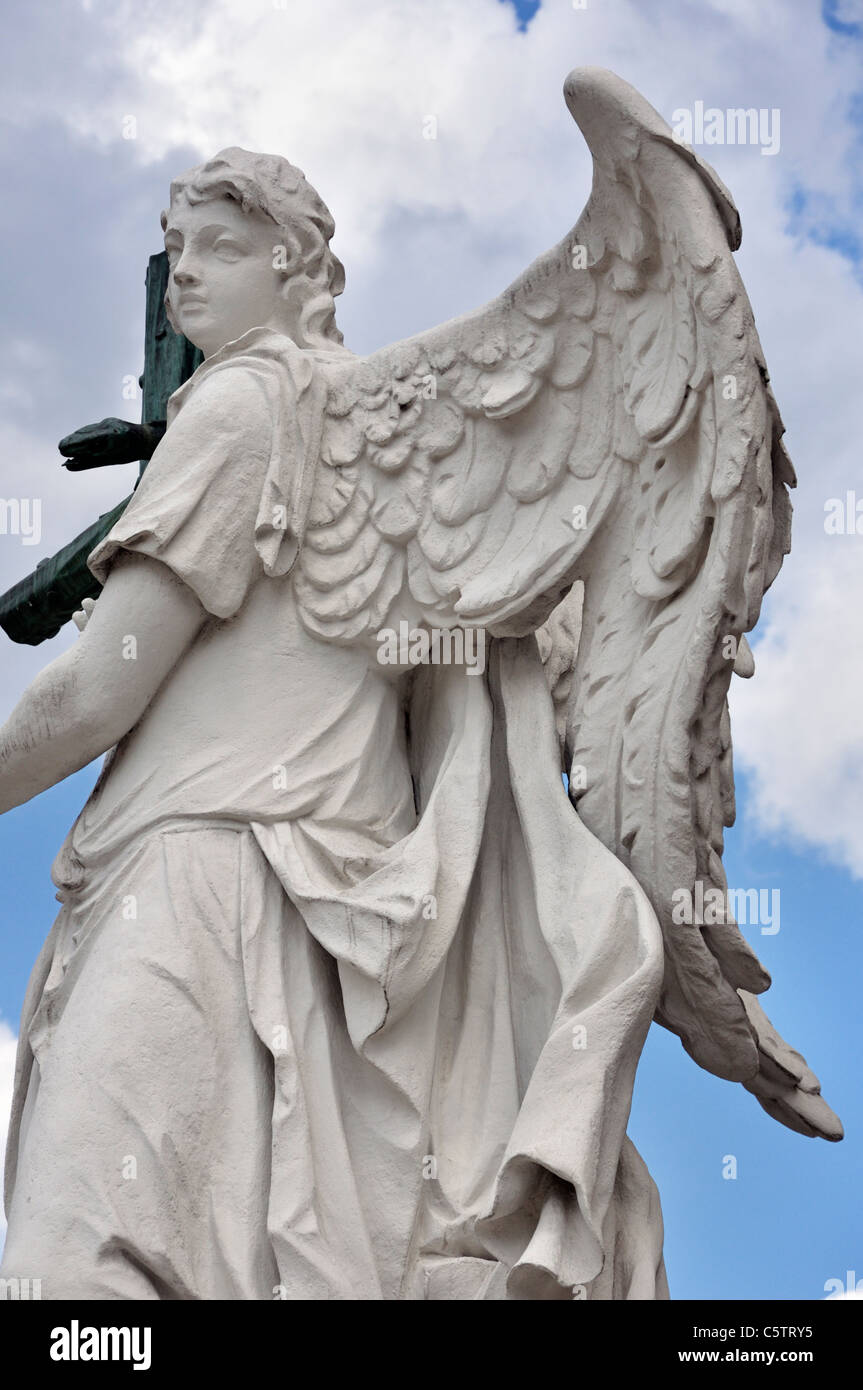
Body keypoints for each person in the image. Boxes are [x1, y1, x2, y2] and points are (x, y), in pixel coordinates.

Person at [0, 148, 667, 1300]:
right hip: (314, 921)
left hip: (196, 878)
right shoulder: (352, 439)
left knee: (75, 1269)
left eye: (221, 247)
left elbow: (95, 693)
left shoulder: (243, 403)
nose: (184, 280)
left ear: (297, 263)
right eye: (178, 254)